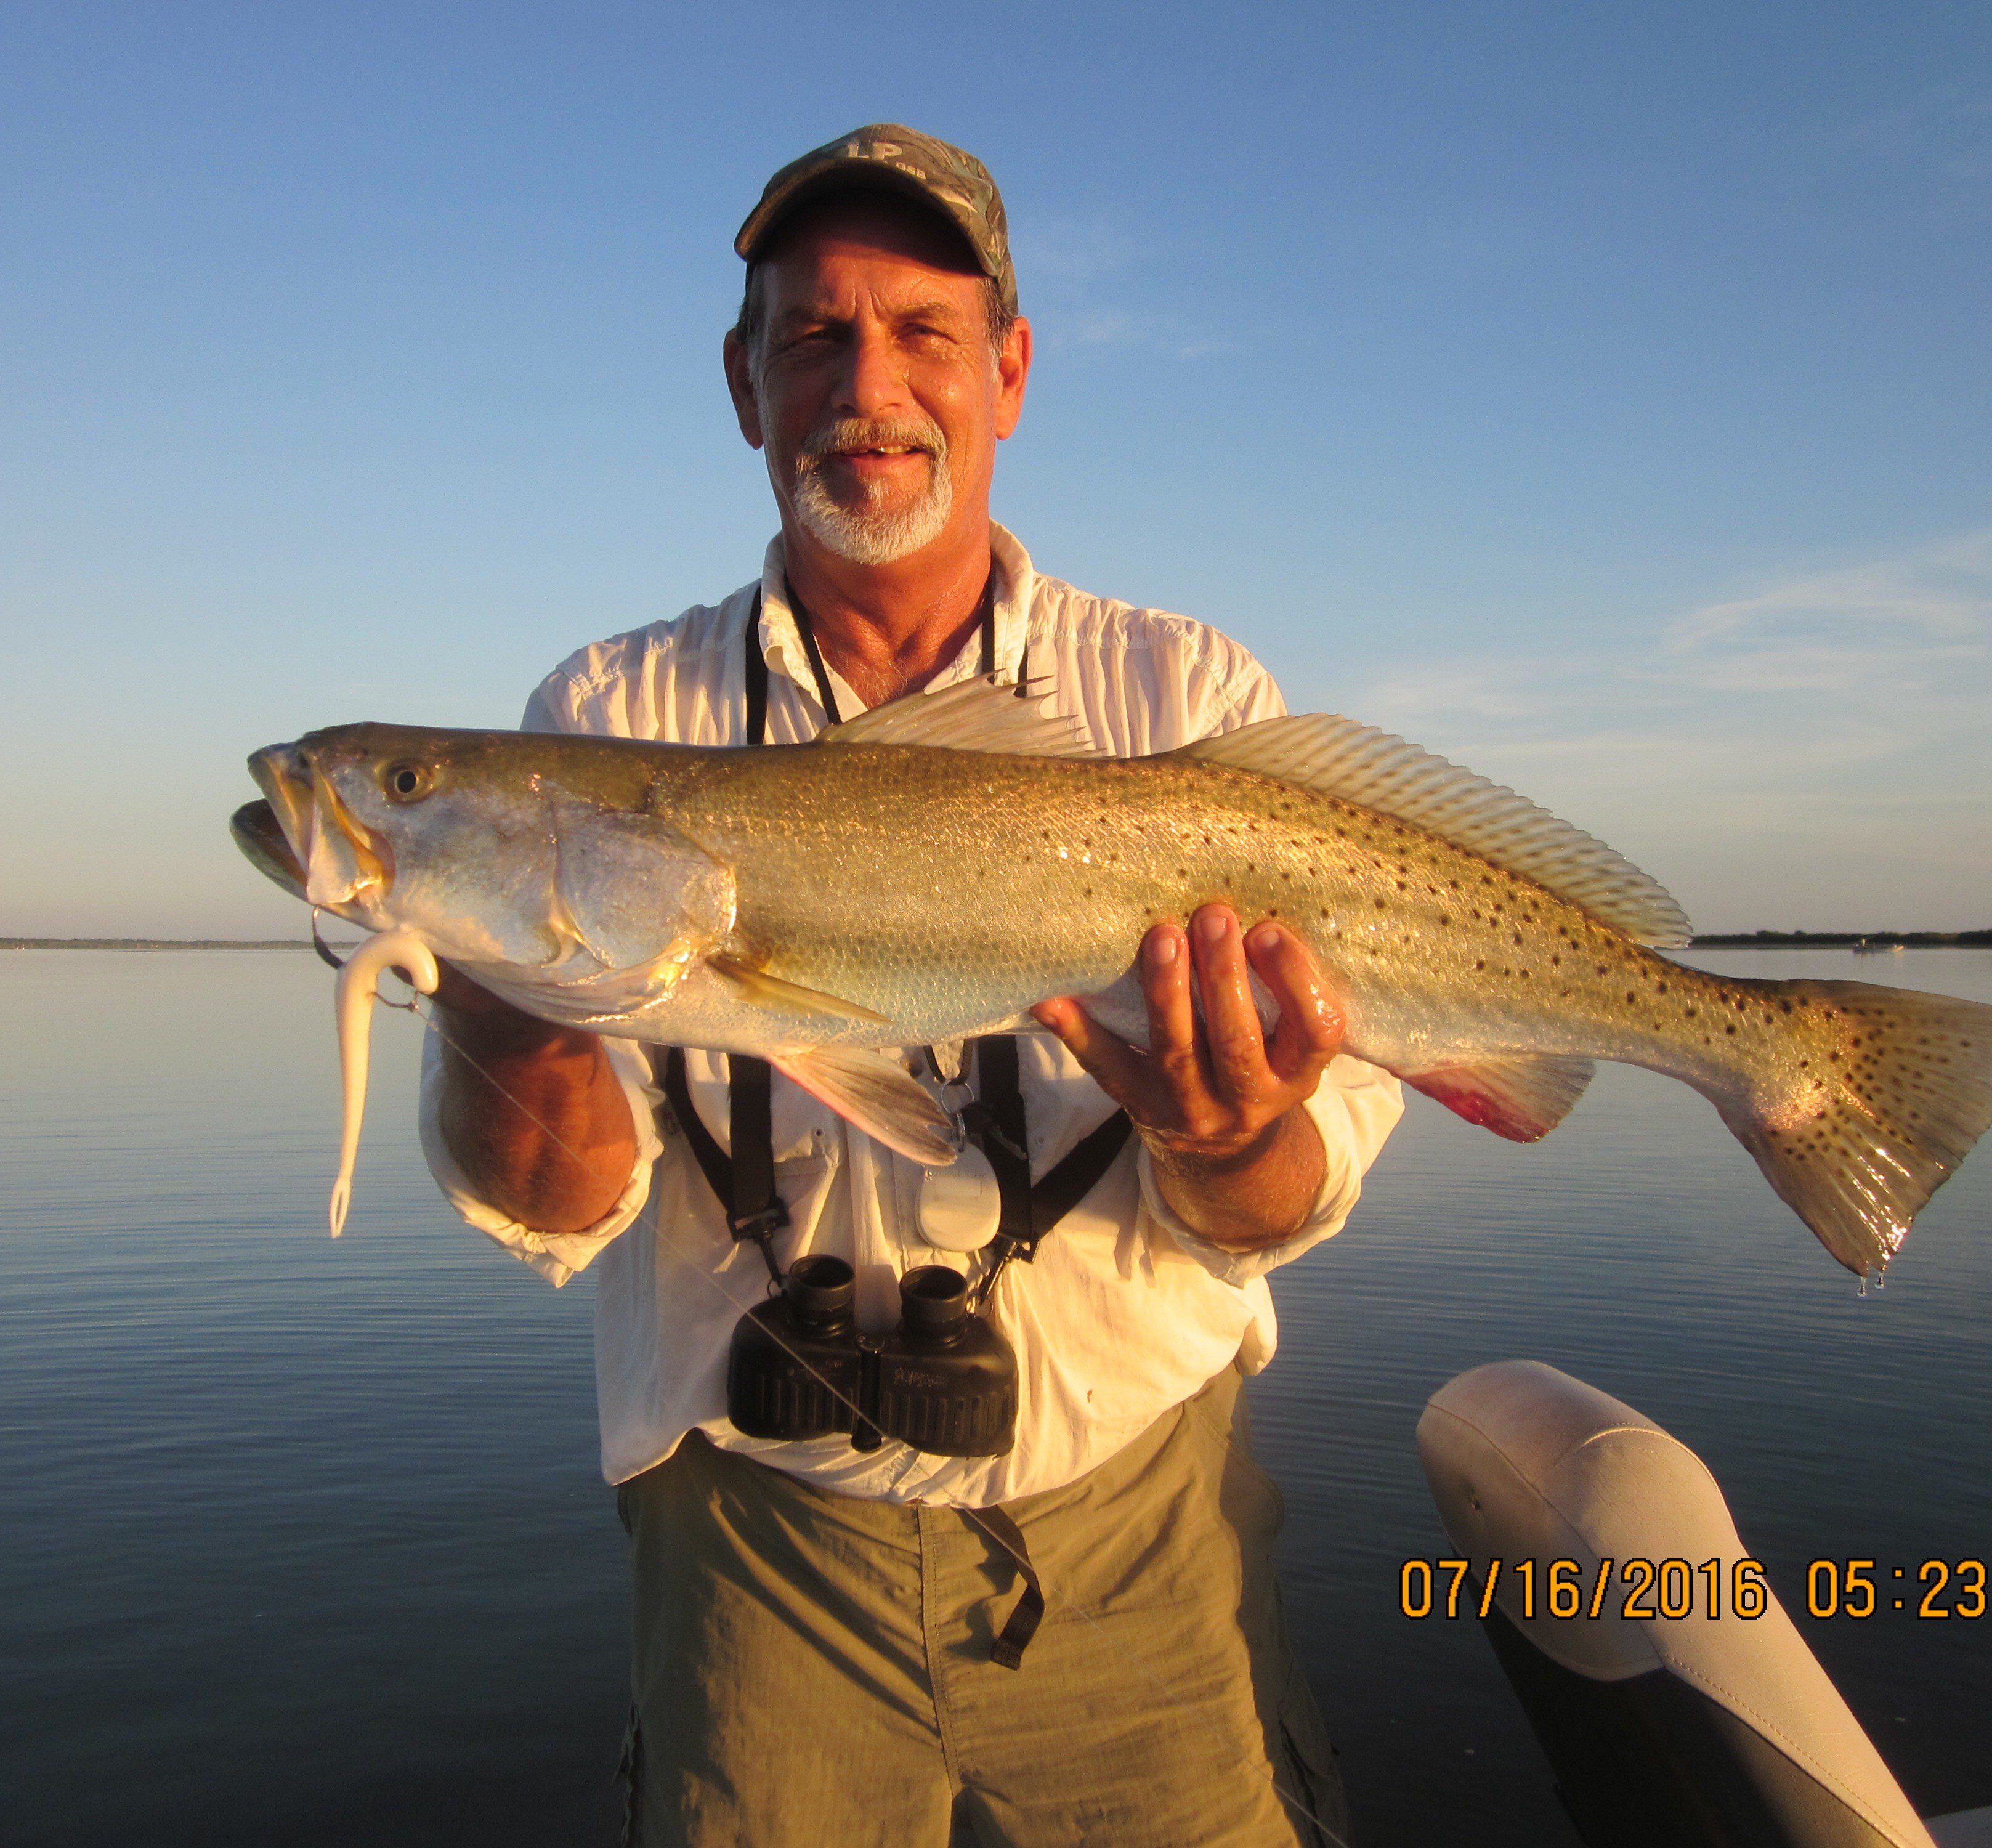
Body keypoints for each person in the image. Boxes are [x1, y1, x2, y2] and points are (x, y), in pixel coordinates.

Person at [418, 125, 1404, 1847]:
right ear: (744, 385)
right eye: (812, 337)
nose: (866, 389)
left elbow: (1280, 1207)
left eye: (922, 333)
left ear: (1008, 371)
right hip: (753, 1551)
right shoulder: (601, 726)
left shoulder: (1194, 701)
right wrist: (509, 1015)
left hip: (1139, 1523)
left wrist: (1236, 1139)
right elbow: (560, 1205)